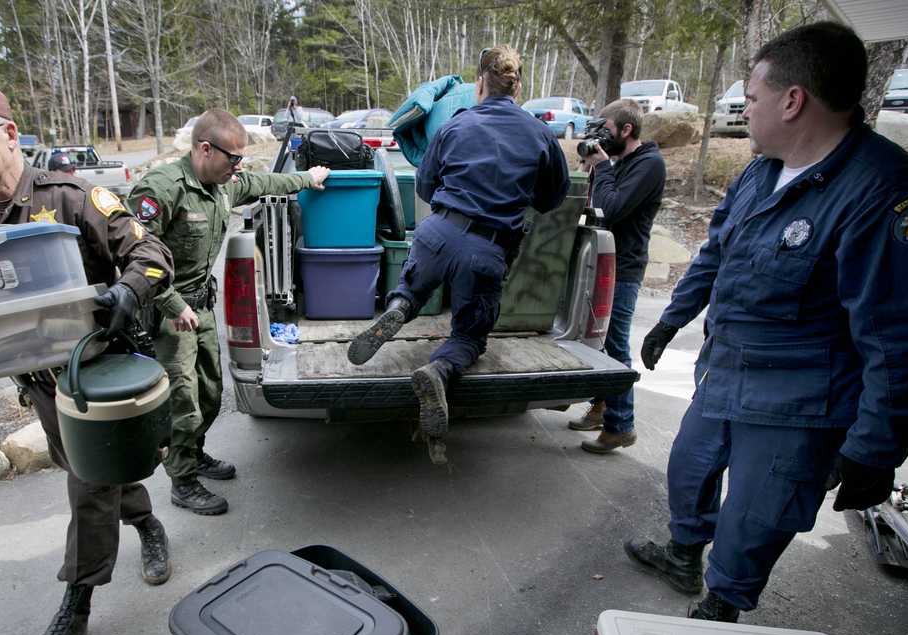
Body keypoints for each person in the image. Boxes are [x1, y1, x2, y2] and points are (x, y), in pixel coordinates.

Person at [626, 22, 908, 623]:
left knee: (755, 519)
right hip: (726, 372)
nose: (744, 111)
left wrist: (874, 450)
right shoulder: (762, 170)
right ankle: (682, 555)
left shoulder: (885, 195)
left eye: (751, 98)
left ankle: (720, 609)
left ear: (792, 100)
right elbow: (716, 256)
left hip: (798, 404)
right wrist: (670, 320)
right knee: (689, 470)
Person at [0, 74, 176, 635]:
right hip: (36, 381)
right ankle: (148, 521)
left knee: (87, 485)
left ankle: (77, 600)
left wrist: (129, 292)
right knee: (95, 471)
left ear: (8, 132)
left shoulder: (68, 196)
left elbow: (151, 254)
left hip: (94, 376)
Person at [346, 45, 569, 438]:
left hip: (437, 232)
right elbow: (551, 199)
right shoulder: (540, 134)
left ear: (480, 84)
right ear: (517, 88)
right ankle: (439, 369)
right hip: (486, 247)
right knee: (468, 335)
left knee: (413, 289)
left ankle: (399, 307)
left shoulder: (454, 125)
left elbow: (427, 185)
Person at [126, 109, 329, 516]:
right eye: (232, 158)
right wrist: (171, 302)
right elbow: (132, 255)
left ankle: (195, 455)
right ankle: (182, 481)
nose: (238, 167)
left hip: (201, 307)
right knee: (182, 400)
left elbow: (262, 182)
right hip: (168, 312)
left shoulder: (223, 185)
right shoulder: (162, 189)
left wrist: (308, 179)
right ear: (205, 148)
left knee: (211, 393)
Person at [570, 99, 666, 453]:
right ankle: (601, 405)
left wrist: (603, 167)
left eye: (606, 130)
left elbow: (610, 210)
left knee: (615, 346)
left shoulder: (650, 164)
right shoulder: (617, 163)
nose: (601, 138)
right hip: (598, 260)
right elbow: (591, 206)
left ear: (627, 130)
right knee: (595, 342)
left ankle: (621, 425)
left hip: (623, 268)